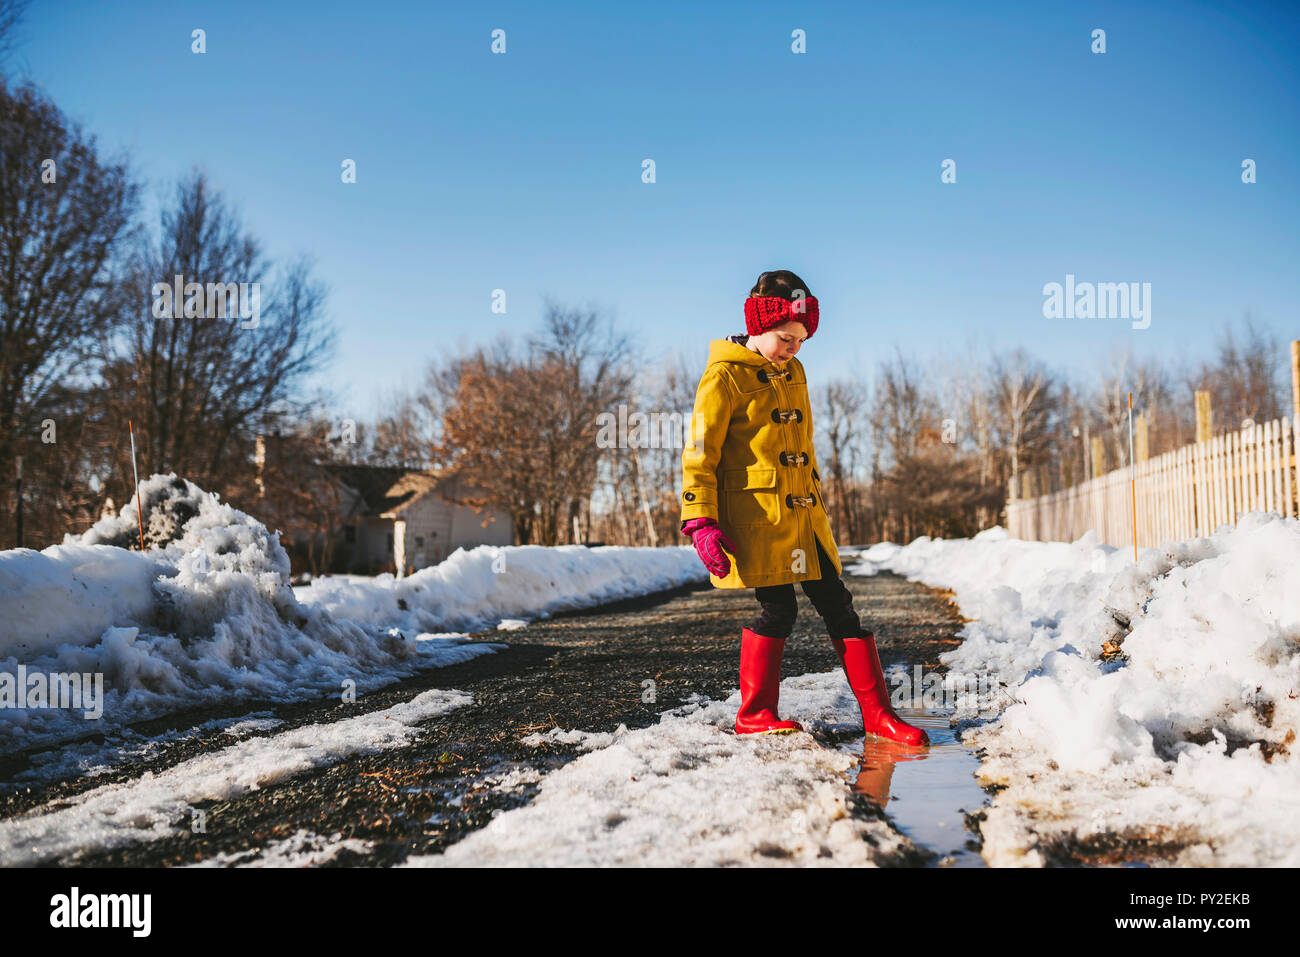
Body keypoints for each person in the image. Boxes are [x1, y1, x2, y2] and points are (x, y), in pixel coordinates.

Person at [680, 269, 929, 746]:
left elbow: (803, 447)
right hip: (760, 520)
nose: (793, 348)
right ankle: (754, 713)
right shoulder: (724, 376)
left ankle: (878, 716)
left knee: (840, 606)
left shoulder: (794, 372)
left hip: (804, 518)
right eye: (784, 337)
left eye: (801, 339)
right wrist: (700, 520)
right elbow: (699, 451)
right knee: (778, 611)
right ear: (756, 326)